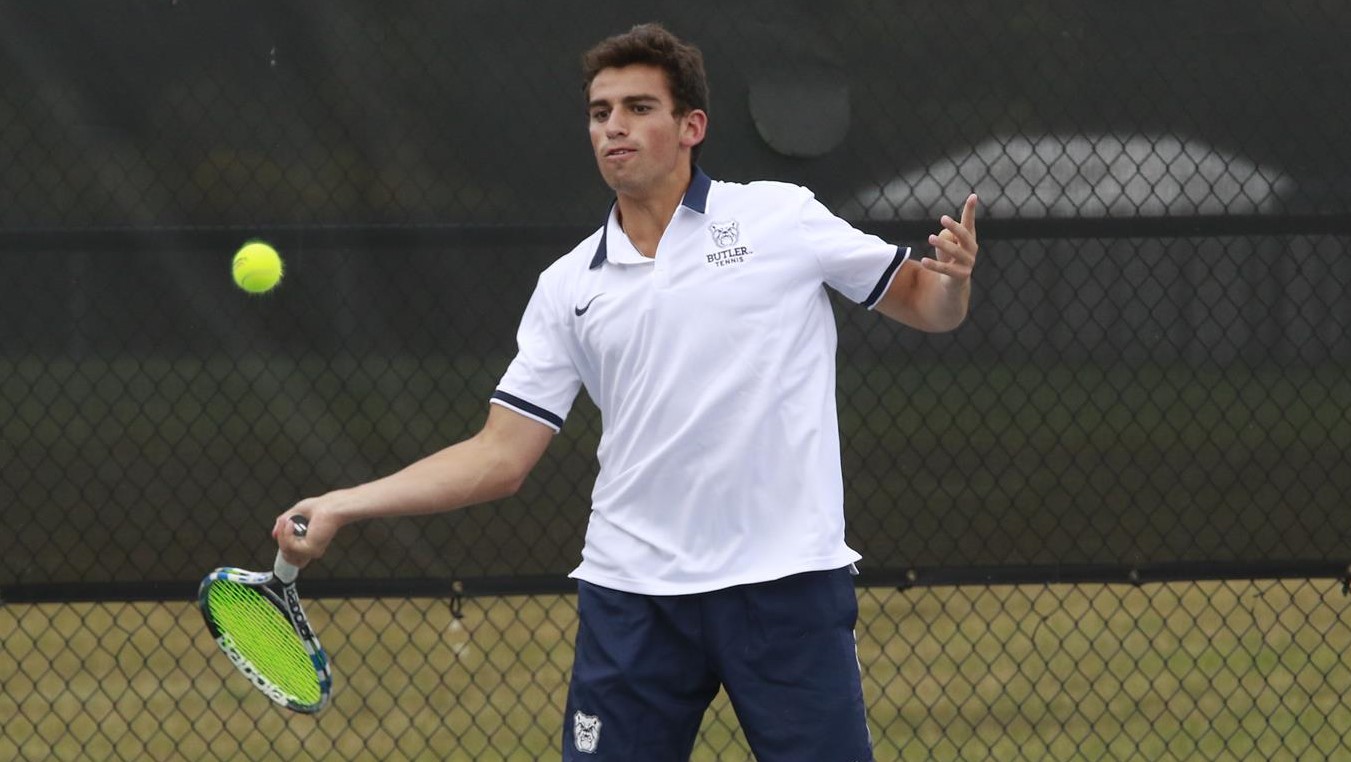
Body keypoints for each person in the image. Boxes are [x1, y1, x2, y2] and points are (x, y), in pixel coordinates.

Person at [274, 22, 978, 762]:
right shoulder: (567, 286)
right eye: (599, 111)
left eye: (639, 107)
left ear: (690, 127)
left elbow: (924, 305)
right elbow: (498, 456)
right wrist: (344, 503)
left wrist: (953, 282)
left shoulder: (779, 217)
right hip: (631, 598)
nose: (614, 125)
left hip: (785, 587)